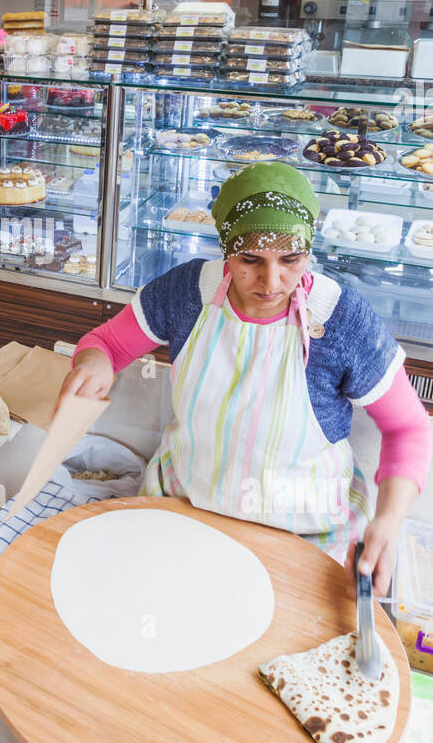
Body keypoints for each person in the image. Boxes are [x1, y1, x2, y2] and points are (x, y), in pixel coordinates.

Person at [58, 161, 430, 597]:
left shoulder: (341, 321)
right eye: (250, 260)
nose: (272, 281)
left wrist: (389, 518)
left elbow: (408, 427)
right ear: (225, 249)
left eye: (290, 259)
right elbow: (106, 343)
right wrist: (94, 362)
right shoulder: (187, 293)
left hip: (303, 531)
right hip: (186, 506)